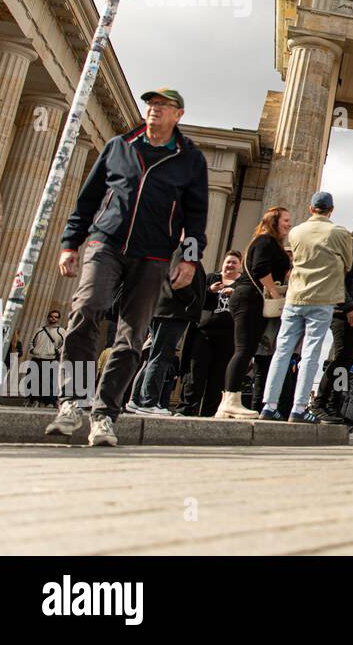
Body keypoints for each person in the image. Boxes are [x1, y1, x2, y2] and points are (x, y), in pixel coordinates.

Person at [47, 88, 209, 447]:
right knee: (86, 309)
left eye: (163, 106)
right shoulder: (120, 145)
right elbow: (87, 199)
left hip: (153, 254)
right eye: (151, 104)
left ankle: (104, 415)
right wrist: (69, 243)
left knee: (131, 334)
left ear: (178, 115)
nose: (154, 110)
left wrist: (190, 257)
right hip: (105, 242)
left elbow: (197, 215)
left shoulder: (190, 160)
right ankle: (72, 401)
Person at [259, 192, 352, 423]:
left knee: (282, 351)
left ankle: (269, 406)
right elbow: (348, 264)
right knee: (310, 354)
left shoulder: (296, 231)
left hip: (295, 297)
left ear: (311, 209)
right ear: (331, 209)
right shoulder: (339, 233)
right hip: (322, 299)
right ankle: (298, 408)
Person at [216, 207, 291, 419]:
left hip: (250, 298)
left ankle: (231, 400)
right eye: (286, 220)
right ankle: (230, 399)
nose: (289, 224)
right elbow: (260, 269)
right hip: (249, 298)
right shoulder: (265, 240)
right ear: (273, 221)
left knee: (246, 350)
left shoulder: (268, 242)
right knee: (243, 349)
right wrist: (275, 293)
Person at [311, 216, 353, 424]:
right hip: (344, 314)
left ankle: (333, 404)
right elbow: (338, 280)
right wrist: (349, 306)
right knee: (340, 359)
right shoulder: (348, 249)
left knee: (346, 362)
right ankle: (320, 403)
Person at [127, 245, 206, 415]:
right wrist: (192, 301)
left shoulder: (179, 249)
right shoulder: (186, 248)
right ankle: (148, 402)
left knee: (154, 356)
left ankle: (136, 400)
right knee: (161, 356)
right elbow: (179, 279)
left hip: (166, 310)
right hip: (173, 311)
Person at [177, 251, 241, 416]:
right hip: (204, 333)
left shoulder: (242, 284)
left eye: (234, 262)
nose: (230, 265)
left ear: (240, 265)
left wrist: (235, 295)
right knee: (195, 371)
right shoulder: (211, 278)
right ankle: (186, 408)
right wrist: (210, 290)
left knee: (218, 376)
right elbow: (196, 295)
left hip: (228, 338)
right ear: (223, 263)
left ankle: (209, 411)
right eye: (228, 262)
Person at [24, 310, 63, 408]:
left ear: (58, 319)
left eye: (56, 317)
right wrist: (33, 350)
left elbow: (65, 344)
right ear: (48, 317)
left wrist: (59, 351)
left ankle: (48, 401)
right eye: (51, 316)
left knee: (48, 382)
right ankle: (33, 399)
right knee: (32, 380)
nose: (53, 318)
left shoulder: (61, 331)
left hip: (50, 359)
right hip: (36, 358)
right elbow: (31, 342)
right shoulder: (39, 329)